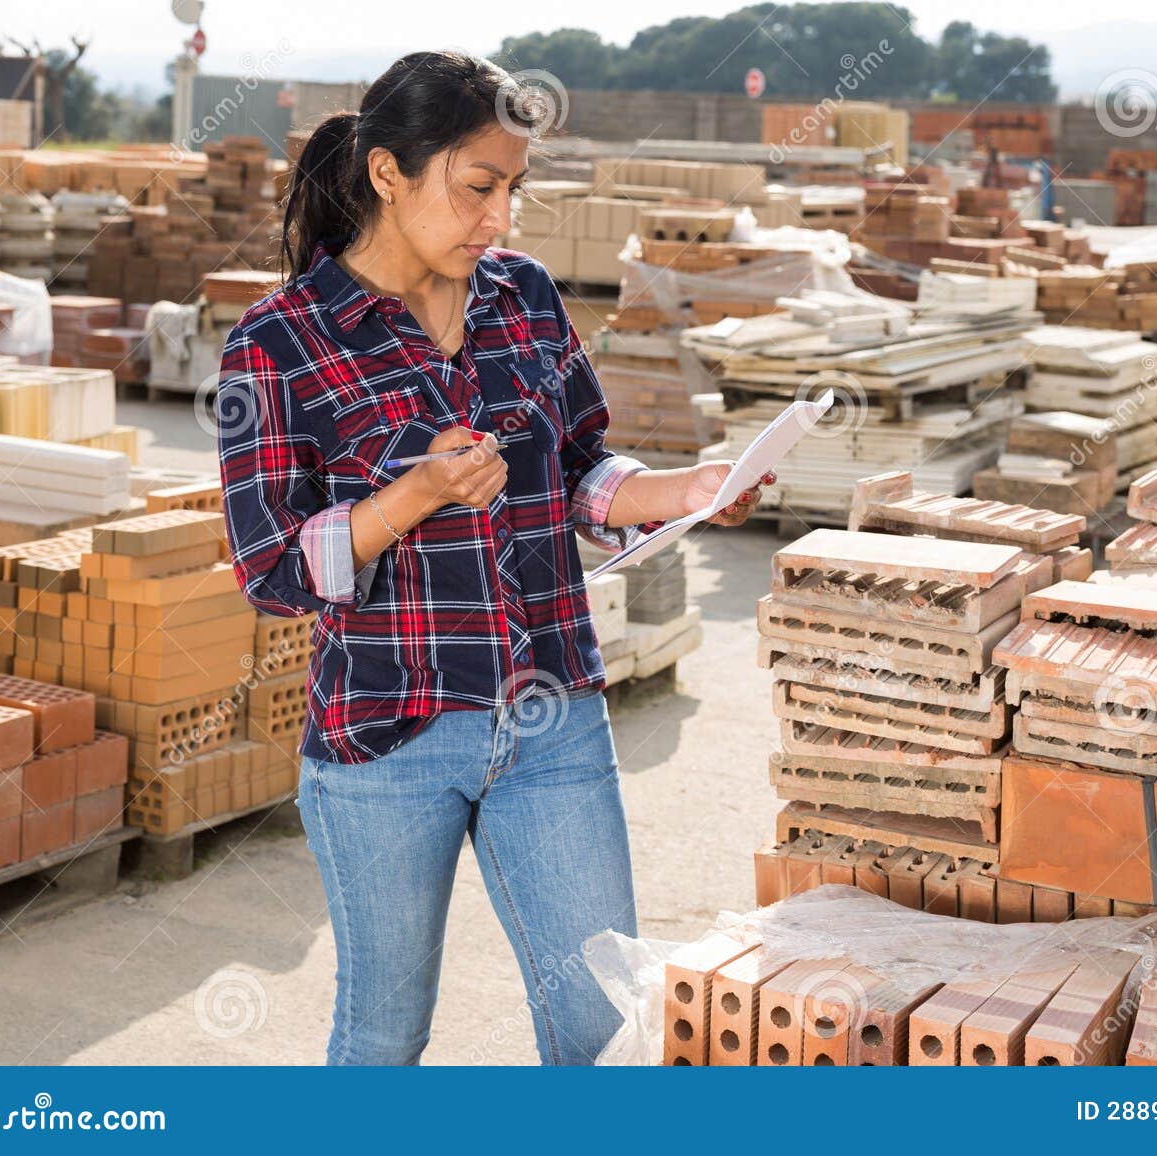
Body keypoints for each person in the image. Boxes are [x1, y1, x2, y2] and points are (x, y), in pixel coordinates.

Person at [216, 50, 770, 1065]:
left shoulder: (523, 298)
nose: (501, 218)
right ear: (389, 172)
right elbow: (273, 571)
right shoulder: (281, 341)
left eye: (514, 188)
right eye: (478, 187)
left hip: (551, 717)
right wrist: (410, 496)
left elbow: (580, 467)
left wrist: (681, 491)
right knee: (383, 1035)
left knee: (608, 1026)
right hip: (386, 741)